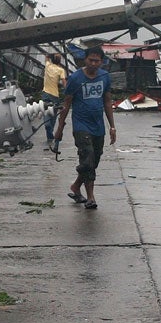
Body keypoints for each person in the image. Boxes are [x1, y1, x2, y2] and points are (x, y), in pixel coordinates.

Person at [53, 46, 115, 210]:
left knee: (94, 161)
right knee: (87, 157)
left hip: (98, 126)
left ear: (102, 62)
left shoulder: (105, 77)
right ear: (85, 60)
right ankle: (91, 197)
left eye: (97, 61)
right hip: (81, 125)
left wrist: (112, 127)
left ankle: (75, 186)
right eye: (91, 60)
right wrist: (59, 128)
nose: (94, 63)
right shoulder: (75, 78)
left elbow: (107, 101)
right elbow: (66, 104)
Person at [40, 52, 67, 147]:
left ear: (52, 59)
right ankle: (50, 135)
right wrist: (67, 92)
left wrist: (52, 54)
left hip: (46, 95)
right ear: (59, 61)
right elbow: (64, 82)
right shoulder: (61, 70)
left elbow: (46, 55)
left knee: (48, 117)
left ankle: (49, 136)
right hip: (54, 96)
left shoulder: (47, 65)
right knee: (52, 118)